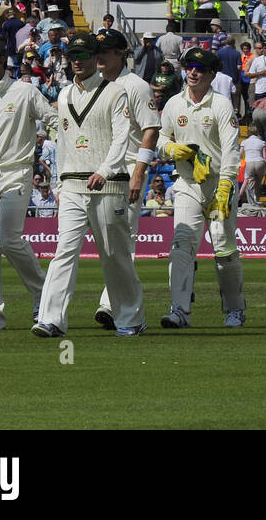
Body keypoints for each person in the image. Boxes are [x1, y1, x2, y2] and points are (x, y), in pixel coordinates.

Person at [32, 33, 146, 338]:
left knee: (113, 254)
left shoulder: (115, 92)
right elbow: (64, 143)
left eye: (83, 55)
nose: (77, 61)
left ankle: (130, 318)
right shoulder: (65, 95)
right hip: (72, 185)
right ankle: (51, 319)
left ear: (95, 58)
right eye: (73, 56)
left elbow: (122, 137)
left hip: (108, 185)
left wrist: (105, 170)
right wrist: (59, 183)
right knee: (64, 251)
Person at [0, 36, 56, 330]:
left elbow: (54, 119)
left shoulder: (24, 92)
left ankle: (43, 293)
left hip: (16, 173)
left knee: (8, 239)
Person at [158, 47, 245, 329]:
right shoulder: (173, 104)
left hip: (219, 184)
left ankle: (235, 310)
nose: (192, 72)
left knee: (223, 248)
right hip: (187, 184)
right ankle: (180, 311)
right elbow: (159, 138)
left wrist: (224, 187)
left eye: (199, 68)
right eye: (189, 66)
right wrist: (171, 147)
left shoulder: (221, 105)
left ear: (211, 74)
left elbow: (232, 150)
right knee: (181, 245)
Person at [93, 29, 161, 331]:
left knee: (121, 239)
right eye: (98, 50)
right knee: (105, 243)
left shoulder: (137, 86)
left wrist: (139, 174)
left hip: (127, 169)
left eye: (106, 50)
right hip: (95, 170)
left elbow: (150, 130)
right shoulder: (93, 85)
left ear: (121, 53)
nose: (100, 56)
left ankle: (112, 305)